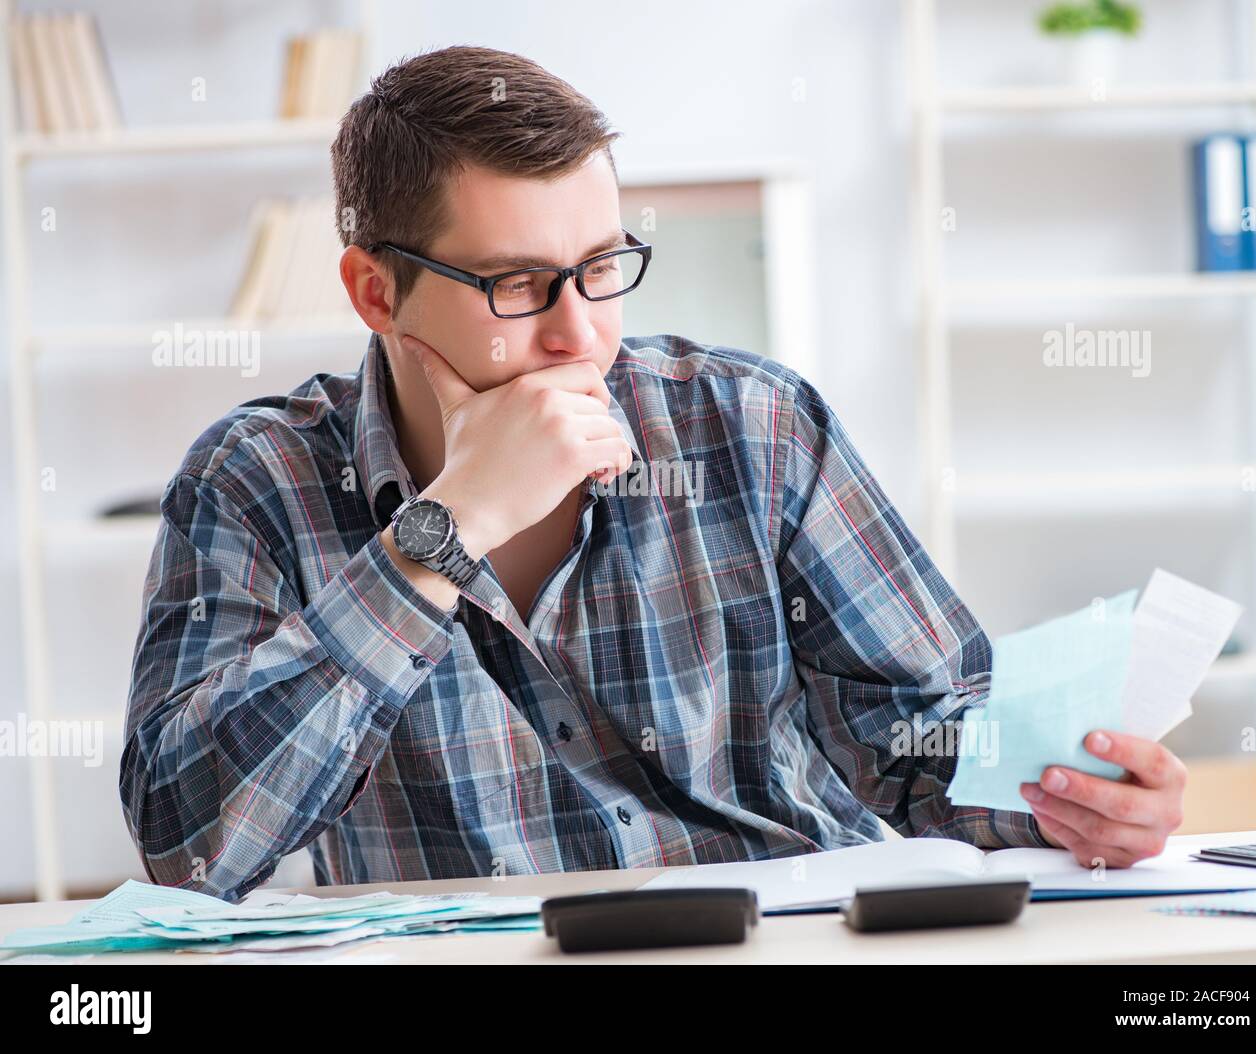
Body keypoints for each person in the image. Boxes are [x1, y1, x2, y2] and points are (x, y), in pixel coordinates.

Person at [121, 46, 1185, 902]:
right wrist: (444, 529)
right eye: (517, 286)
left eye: (598, 269)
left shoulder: (749, 425)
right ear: (374, 292)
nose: (579, 334)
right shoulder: (255, 480)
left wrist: (1072, 798)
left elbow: (917, 748)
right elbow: (192, 847)